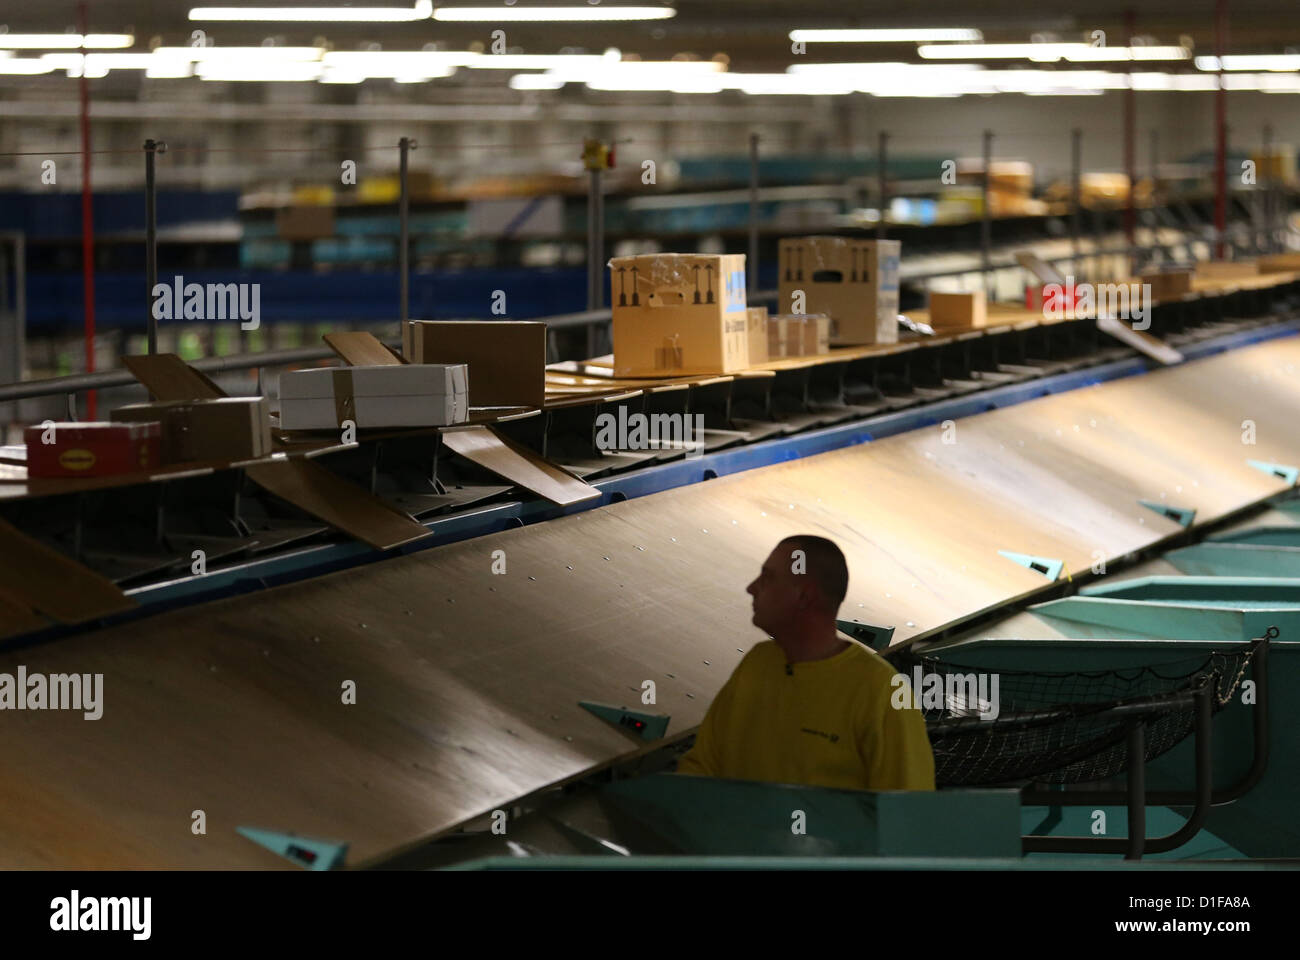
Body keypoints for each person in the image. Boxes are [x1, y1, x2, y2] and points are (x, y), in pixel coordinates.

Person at [677, 535, 934, 791]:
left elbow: (905, 816)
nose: (752, 587)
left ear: (804, 597)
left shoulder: (882, 694)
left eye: (767, 579)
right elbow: (702, 765)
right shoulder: (758, 662)